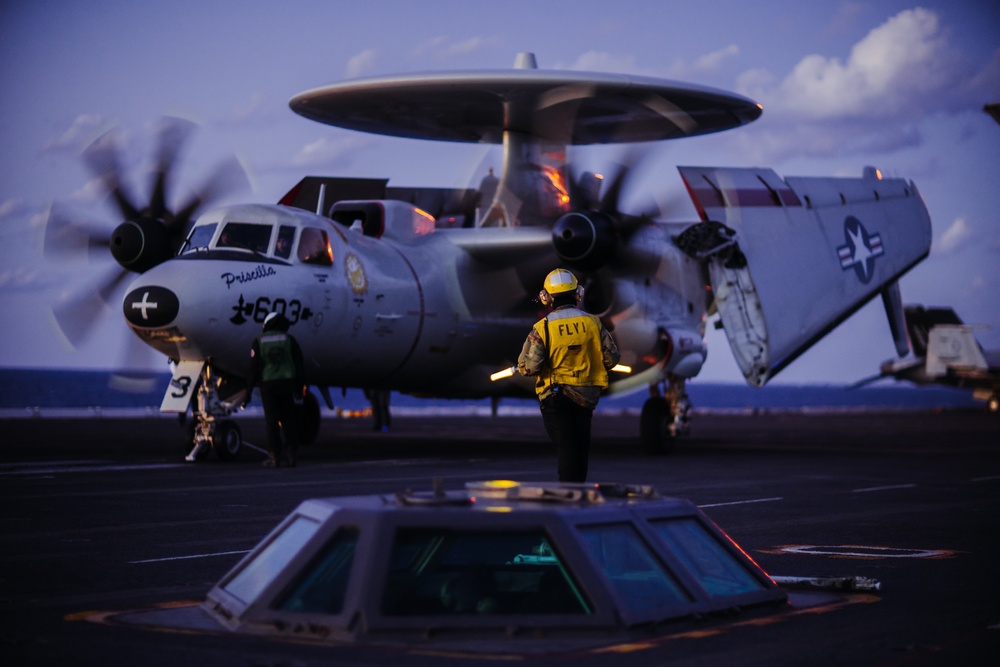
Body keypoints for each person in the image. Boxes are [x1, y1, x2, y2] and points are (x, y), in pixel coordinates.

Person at [517, 269, 620, 483]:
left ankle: (568, 496)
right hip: (586, 397)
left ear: (547, 297)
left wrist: (523, 367)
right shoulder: (593, 323)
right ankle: (579, 494)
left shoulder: (542, 328)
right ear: (577, 294)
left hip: (556, 398)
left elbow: (531, 368)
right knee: (581, 450)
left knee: (566, 450)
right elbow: (612, 358)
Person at [246, 312, 306, 467]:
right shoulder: (289, 340)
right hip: (286, 384)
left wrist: (248, 392)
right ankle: (292, 455)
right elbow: (299, 365)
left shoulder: (259, 341)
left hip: (268, 385)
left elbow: (254, 369)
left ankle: (274, 457)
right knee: (289, 421)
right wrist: (300, 387)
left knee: (272, 422)